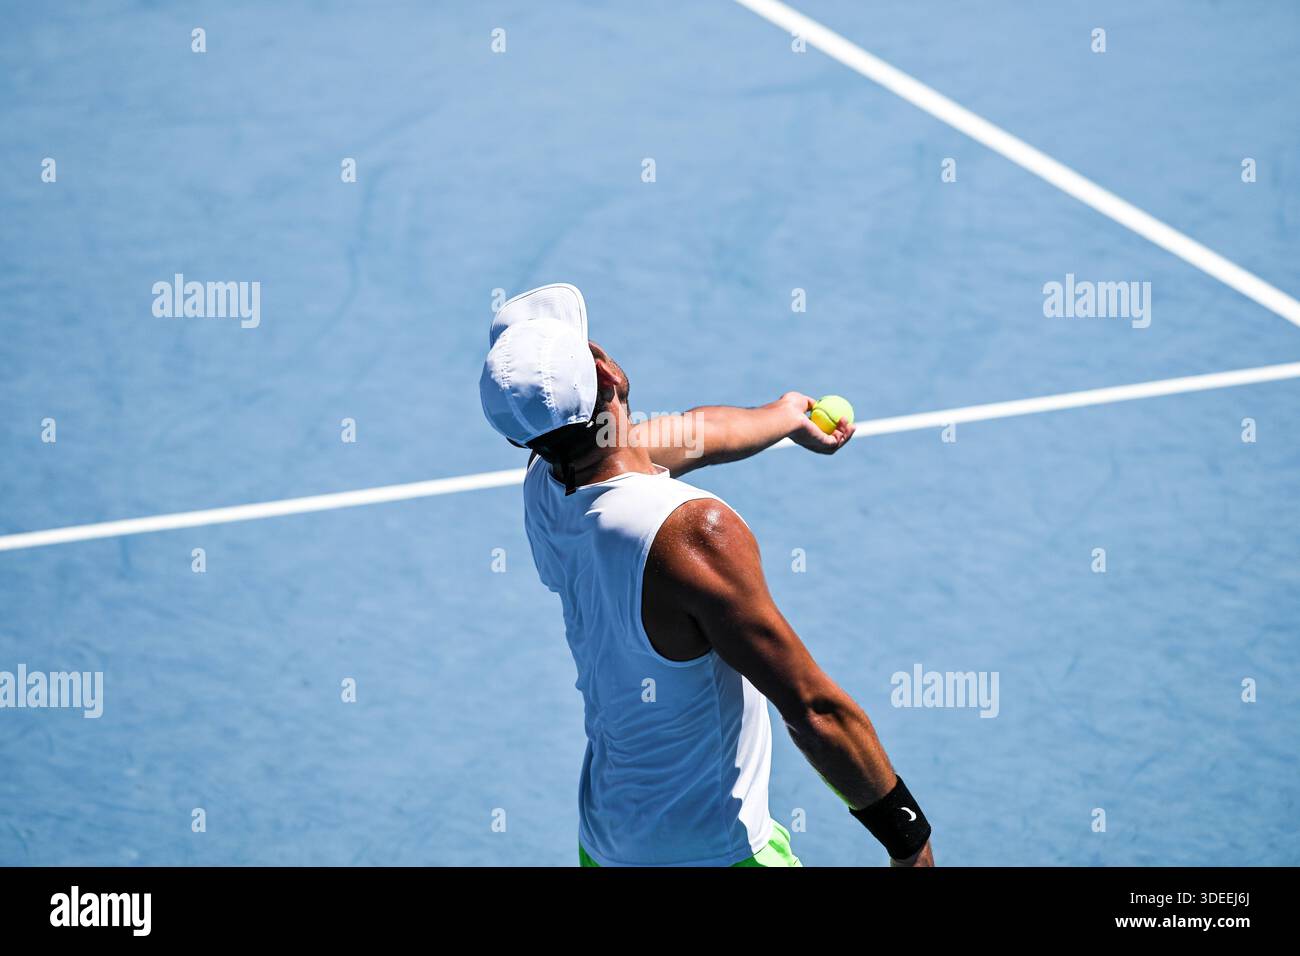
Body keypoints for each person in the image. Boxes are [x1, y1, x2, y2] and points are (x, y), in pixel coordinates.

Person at [480, 283, 934, 867]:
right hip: (718, 854)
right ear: (608, 371)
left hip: (608, 841)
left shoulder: (546, 487)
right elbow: (813, 710)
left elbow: (689, 434)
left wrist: (781, 417)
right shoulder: (693, 532)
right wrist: (908, 838)